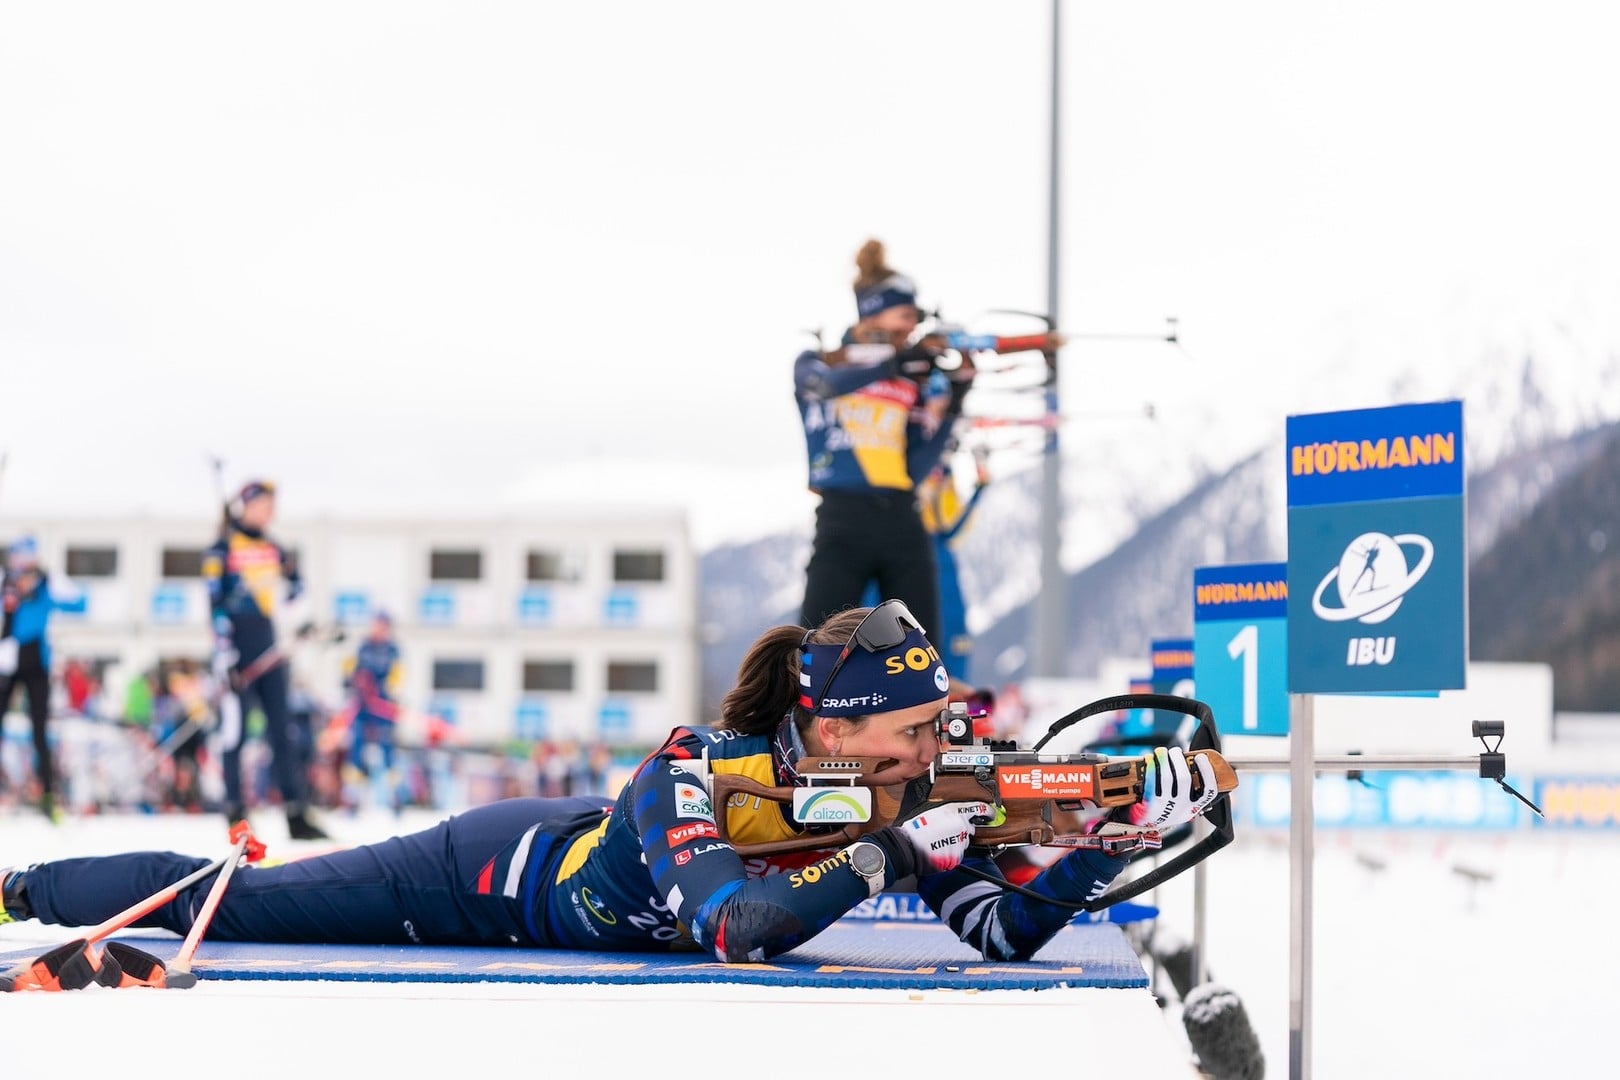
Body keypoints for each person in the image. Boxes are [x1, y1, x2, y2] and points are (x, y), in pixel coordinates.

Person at [0, 600, 1219, 964]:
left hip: (588, 861)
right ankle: (18, 888)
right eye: (910, 731)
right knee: (250, 902)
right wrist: (896, 850)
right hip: (485, 877)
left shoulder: (927, 784)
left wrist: (1100, 844)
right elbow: (741, 929)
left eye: (940, 725)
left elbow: (1003, 929)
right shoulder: (690, 773)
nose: (933, 751)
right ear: (834, 733)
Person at [795, 239, 976, 645]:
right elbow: (822, 385)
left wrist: (956, 399)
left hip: (900, 519)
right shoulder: (821, 361)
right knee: (815, 647)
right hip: (842, 519)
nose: (912, 327)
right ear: (875, 311)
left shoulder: (907, 379)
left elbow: (915, 467)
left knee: (922, 648)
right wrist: (890, 365)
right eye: (906, 314)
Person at [202, 480, 330, 841]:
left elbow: (296, 587)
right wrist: (224, 652)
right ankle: (234, 812)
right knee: (235, 732)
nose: (271, 511)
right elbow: (214, 604)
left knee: (282, 732)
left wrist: (299, 616)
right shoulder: (221, 548)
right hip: (236, 653)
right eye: (265, 504)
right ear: (247, 505)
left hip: (270, 649)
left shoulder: (274, 547)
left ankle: (296, 813)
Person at [0, 535, 87, 822]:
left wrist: (54, 580)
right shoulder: (5, 582)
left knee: (40, 729)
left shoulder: (46, 584)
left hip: (36, 662)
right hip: (7, 661)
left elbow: (79, 602)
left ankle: (47, 793)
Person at [326, 611, 403, 813]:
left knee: (387, 750)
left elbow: (398, 676)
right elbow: (347, 671)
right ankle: (352, 797)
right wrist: (354, 682)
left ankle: (394, 797)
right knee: (356, 749)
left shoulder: (393, 650)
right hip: (362, 706)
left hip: (383, 706)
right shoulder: (362, 647)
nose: (379, 630)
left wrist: (385, 691)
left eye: (383, 626)